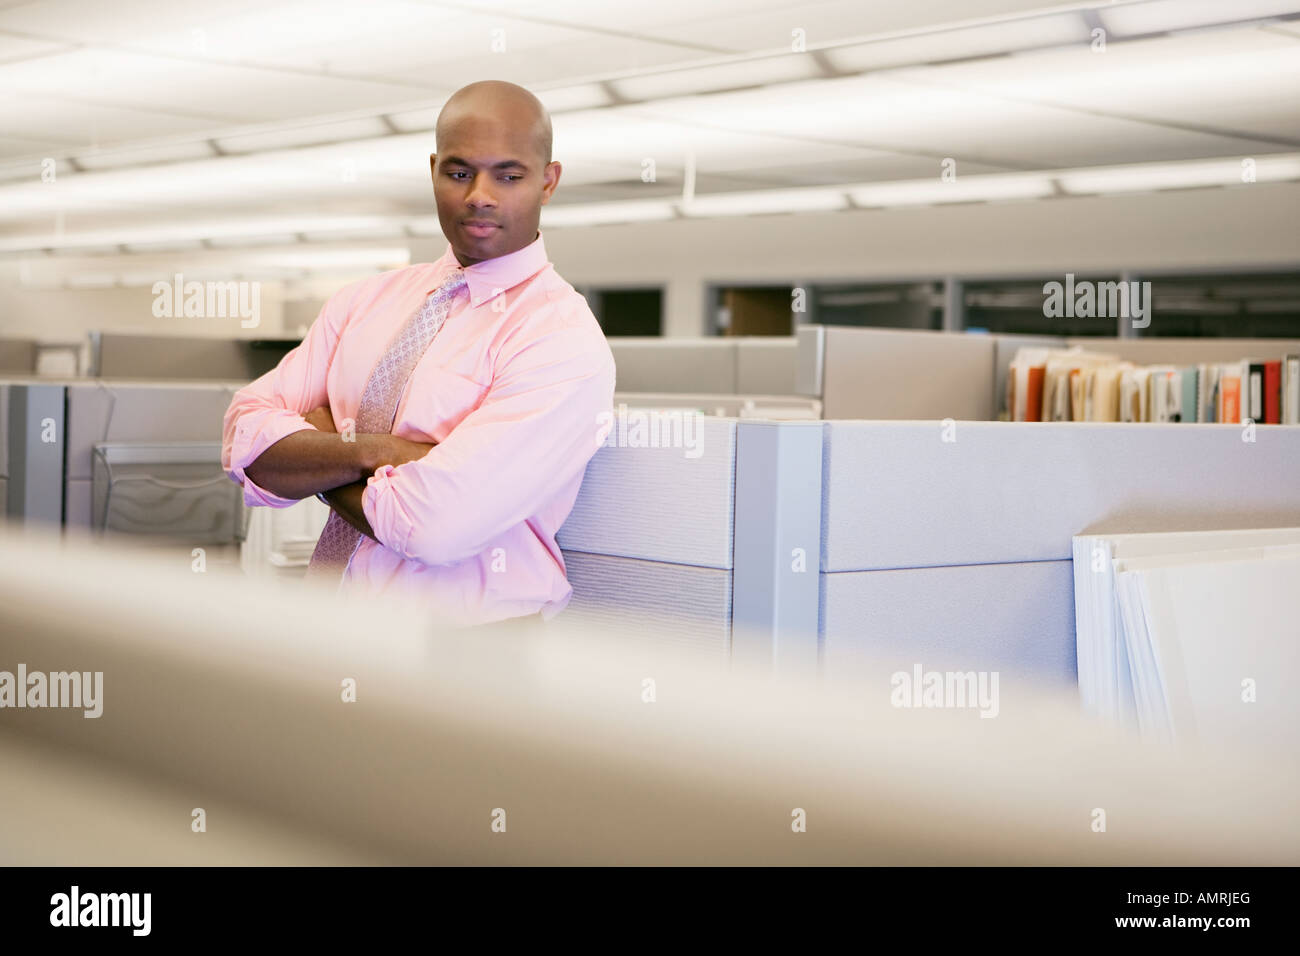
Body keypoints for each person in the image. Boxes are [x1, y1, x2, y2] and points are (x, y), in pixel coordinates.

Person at [221, 80, 616, 627]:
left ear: (548, 181)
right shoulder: (363, 301)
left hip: (466, 652)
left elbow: (435, 526)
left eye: (509, 174)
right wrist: (378, 451)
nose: (480, 194)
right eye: (459, 172)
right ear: (434, 170)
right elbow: (245, 443)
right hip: (329, 626)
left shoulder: (560, 338)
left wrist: (319, 451)